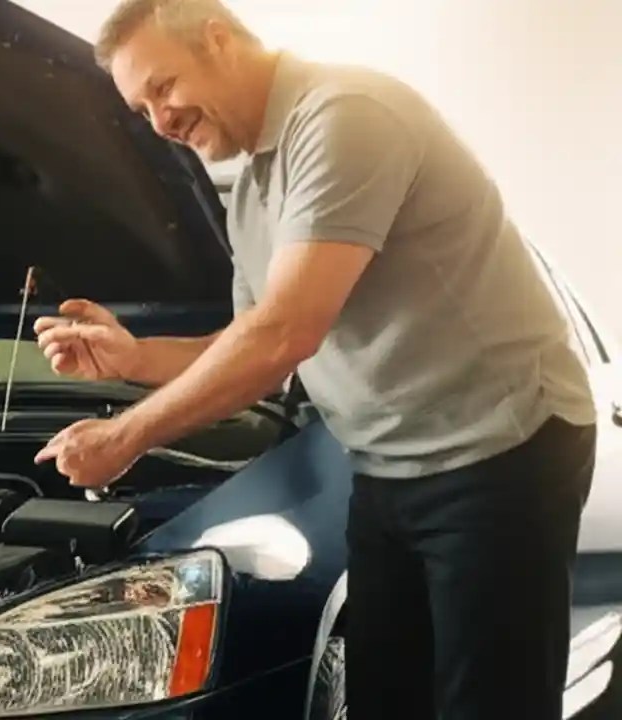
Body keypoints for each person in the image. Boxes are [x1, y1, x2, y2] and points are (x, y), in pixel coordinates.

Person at [31, 1, 598, 718]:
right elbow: (244, 340)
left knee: (490, 704)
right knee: (385, 699)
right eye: (142, 108)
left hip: (498, 455)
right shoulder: (250, 187)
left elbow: (283, 335)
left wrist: (124, 437)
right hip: (390, 467)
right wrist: (132, 355)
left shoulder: (346, 117)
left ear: (218, 39)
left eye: (163, 87)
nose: (160, 120)